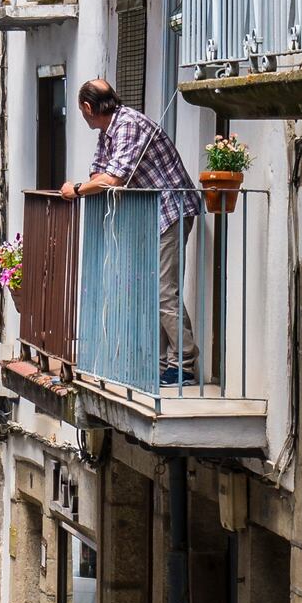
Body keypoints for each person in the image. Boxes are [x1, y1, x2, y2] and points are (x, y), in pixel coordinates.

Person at [58, 78, 199, 384]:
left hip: (170, 211)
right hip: (150, 215)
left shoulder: (128, 125)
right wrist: (96, 181)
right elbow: (100, 171)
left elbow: (113, 178)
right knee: (154, 291)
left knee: (164, 291)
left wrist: (77, 189)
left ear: (86, 107)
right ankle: (164, 363)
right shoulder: (109, 131)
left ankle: (184, 364)